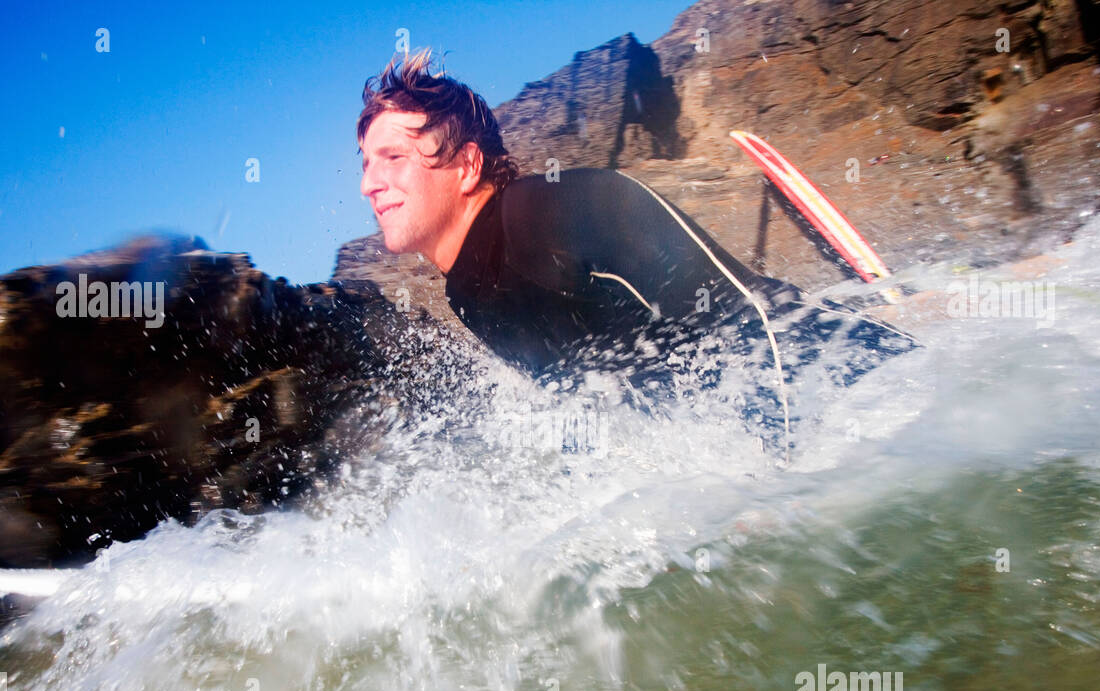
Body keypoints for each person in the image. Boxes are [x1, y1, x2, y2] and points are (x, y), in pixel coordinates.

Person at [357, 49, 916, 452]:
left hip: (879, 390)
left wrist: (784, 479)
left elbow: (756, 321)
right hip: (818, 444)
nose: (369, 184)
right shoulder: (470, 293)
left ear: (467, 165)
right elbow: (601, 413)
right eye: (365, 163)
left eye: (392, 157)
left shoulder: (549, 209)